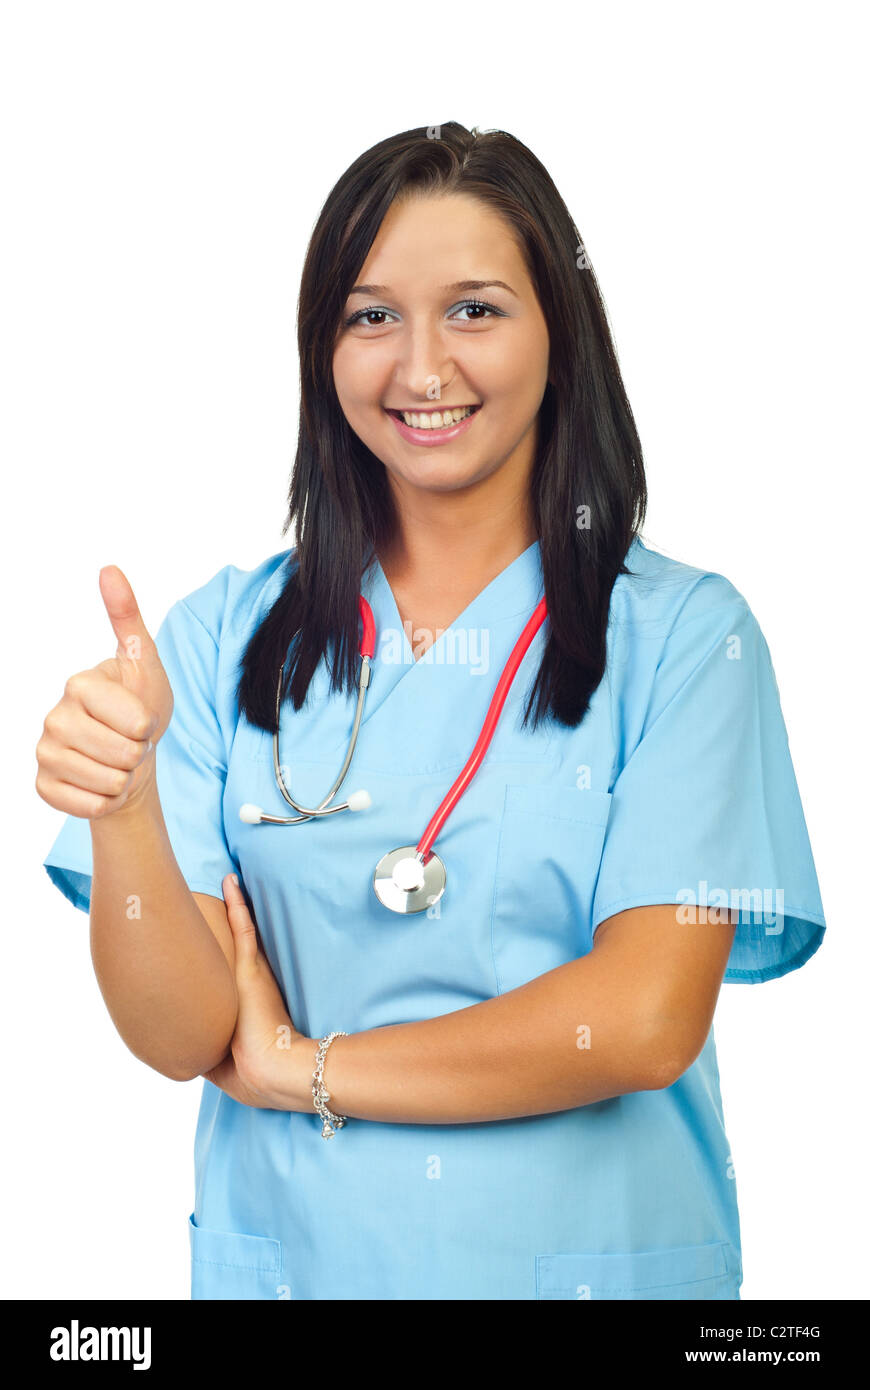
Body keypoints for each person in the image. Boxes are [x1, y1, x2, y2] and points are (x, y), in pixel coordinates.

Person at [38, 122, 826, 1301]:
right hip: (303, 1270)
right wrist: (127, 804)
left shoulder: (686, 638)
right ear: (322, 350)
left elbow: (642, 1021)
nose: (421, 368)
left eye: (474, 310)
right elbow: (180, 1034)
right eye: (370, 316)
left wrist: (308, 1069)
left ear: (561, 329)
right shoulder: (214, 642)